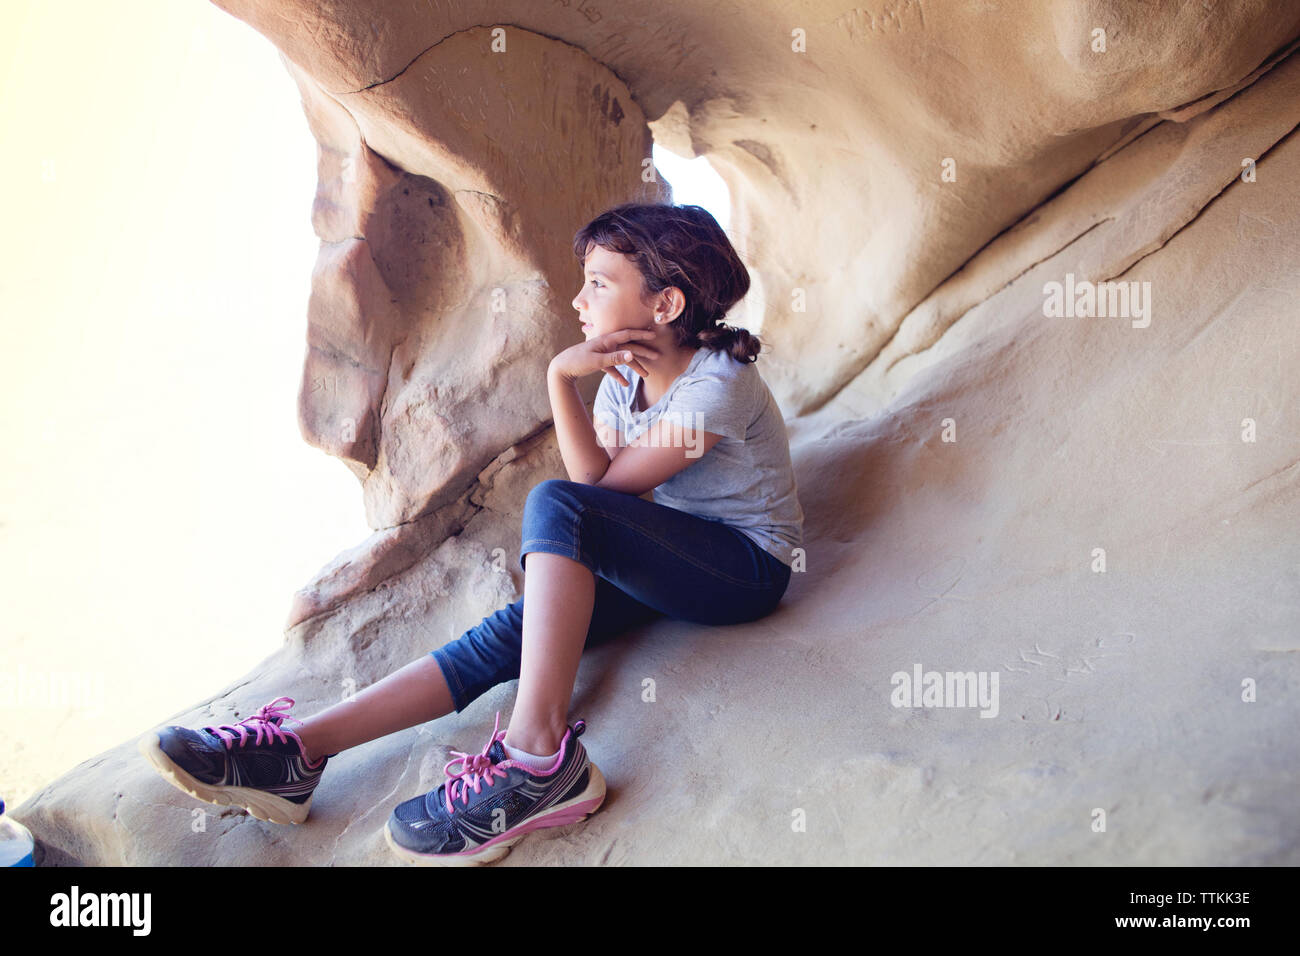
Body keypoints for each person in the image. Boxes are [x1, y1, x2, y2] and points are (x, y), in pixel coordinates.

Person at [138, 201, 804, 865]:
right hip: (668, 554)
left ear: (665, 305)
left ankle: (538, 762)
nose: (579, 300)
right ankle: (299, 753)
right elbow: (593, 481)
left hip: (743, 572)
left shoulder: (717, 388)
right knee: (513, 630)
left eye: (599, 283)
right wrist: (563, 380)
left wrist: (557, 378)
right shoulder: (622, 384)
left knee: (558, 510)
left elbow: (595, 497)